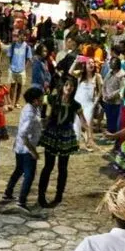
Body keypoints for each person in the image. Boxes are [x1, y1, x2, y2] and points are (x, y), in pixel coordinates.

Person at [38, 78, 90, 209]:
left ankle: (59, 195)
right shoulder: (53, 98)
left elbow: (83, 120)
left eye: (71, 86)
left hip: (66, 136)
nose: (69, 87)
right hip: (52, 134)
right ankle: (41, 195)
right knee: (48, 166)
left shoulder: (75, 105)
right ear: (62, 86)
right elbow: (40, 100)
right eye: (67, 84)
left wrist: (88, 134)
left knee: (63, 167)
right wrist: (42, 116)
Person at [1, 87, 43, 212]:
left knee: (19, 169)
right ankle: (21, 201)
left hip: (20, 146)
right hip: (26, 149)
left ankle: (8, 192)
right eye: (40, 99)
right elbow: (24, 134)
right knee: (29, 175)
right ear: (35, 100)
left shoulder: (31, 108)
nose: (42, 100)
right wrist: (33, 151)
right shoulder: (30, 114)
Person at [7, 30, 32, 107]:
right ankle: (11, 102)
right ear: (19, 35)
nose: (25, 37)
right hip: (13, 69)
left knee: (20, 87)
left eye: (26, 36)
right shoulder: (13, 45)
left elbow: (29, 58)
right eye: (24, 35)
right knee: (12, 86)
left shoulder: (27, 47)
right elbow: (9, 56)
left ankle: (16, 102)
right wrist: (11, 65)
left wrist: (25, 68)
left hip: (21, 70)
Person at [100, 57, 125, 134]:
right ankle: (109, 133)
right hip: (107, 100)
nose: (110, 64)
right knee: (109, 118)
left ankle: (113, 135)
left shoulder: (122, 74)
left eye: (112, 63)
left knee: (114, 119)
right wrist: (104, 94)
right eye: (110, 62)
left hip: (116, 102)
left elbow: (122, 88)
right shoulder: (110, 72)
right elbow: (104, 84)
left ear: (117, 64)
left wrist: (111, 96)